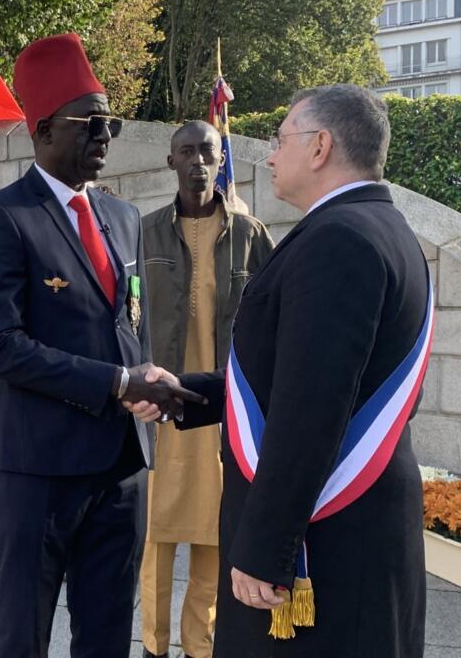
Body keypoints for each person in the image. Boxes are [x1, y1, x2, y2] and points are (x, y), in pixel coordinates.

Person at [130, 85, 432, 657]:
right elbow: (290, 374)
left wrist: (266, 550)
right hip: (359, 531)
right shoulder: (378, 228)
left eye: (280, 138)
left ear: (320, 147)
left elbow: (309, 409)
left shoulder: (337, 242)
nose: (269, 155)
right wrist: (183, 391)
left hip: (326, 544)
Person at [0, 33, 202, 658]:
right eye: (90, 124)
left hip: (120, 467)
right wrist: (119, 383)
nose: (105, 137)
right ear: (43, 130)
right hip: (39, 469)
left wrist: (145, 375)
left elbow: (129, 320)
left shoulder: (121, 217)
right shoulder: (3, 217)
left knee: (105, 632)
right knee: (24, 632)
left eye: (111, 123)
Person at [138, 121, 275, 658]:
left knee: (214, 543)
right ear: (170, 162)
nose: (197, 161)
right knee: (155, 542)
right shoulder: (140, 231)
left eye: (207, 153)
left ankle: (200, 646)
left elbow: (271, 324)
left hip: (221, 415)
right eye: (187, 152)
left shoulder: (250, 234)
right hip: (158, 413)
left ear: (221, 162)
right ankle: (153, 645)